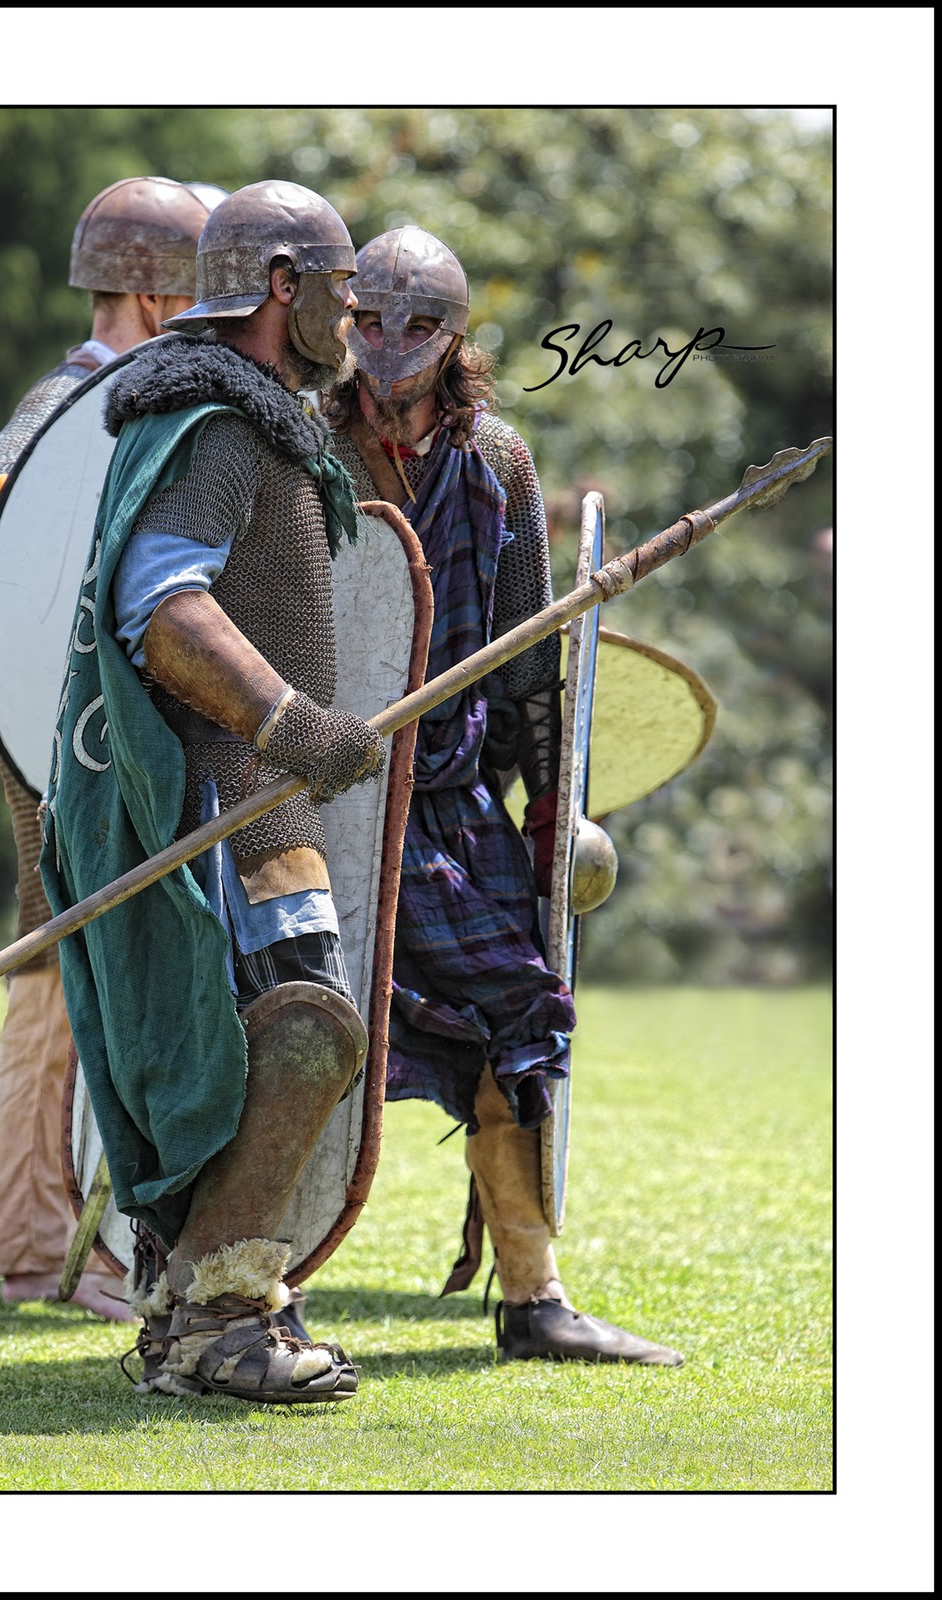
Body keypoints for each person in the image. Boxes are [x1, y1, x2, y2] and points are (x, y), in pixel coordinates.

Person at [39, 179, 387, 1403]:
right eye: (339, 289)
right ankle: (215, 1317)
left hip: (250, 796)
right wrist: (287, 720)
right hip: (214, 798)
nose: (351, 313)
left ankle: (218, 1307)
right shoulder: (217, 427)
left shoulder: (247, 420)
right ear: (282, 286)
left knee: (289, 1037)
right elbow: (164, 610)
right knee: (296, 1036)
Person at [324, 226, 684, 1366]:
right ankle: (235, 1292)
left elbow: (531, 667)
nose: (389, 348)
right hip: (318, 793)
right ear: (341, 323)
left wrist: (546, 808)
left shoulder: (497, 464)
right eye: (370, 321)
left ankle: (532, 1297)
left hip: (450, 799)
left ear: (456, 339)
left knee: (517, 1022)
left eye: (416, 326)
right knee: (288, 1031)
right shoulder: (301, 445)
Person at [0, 176, 228, 1322]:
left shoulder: (146, 394)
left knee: (108, 958)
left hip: (109, 713)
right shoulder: (75, 397)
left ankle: (102, 1240)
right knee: (52, 955)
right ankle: (34, 1243)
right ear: (162, 295)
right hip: (55, 720)